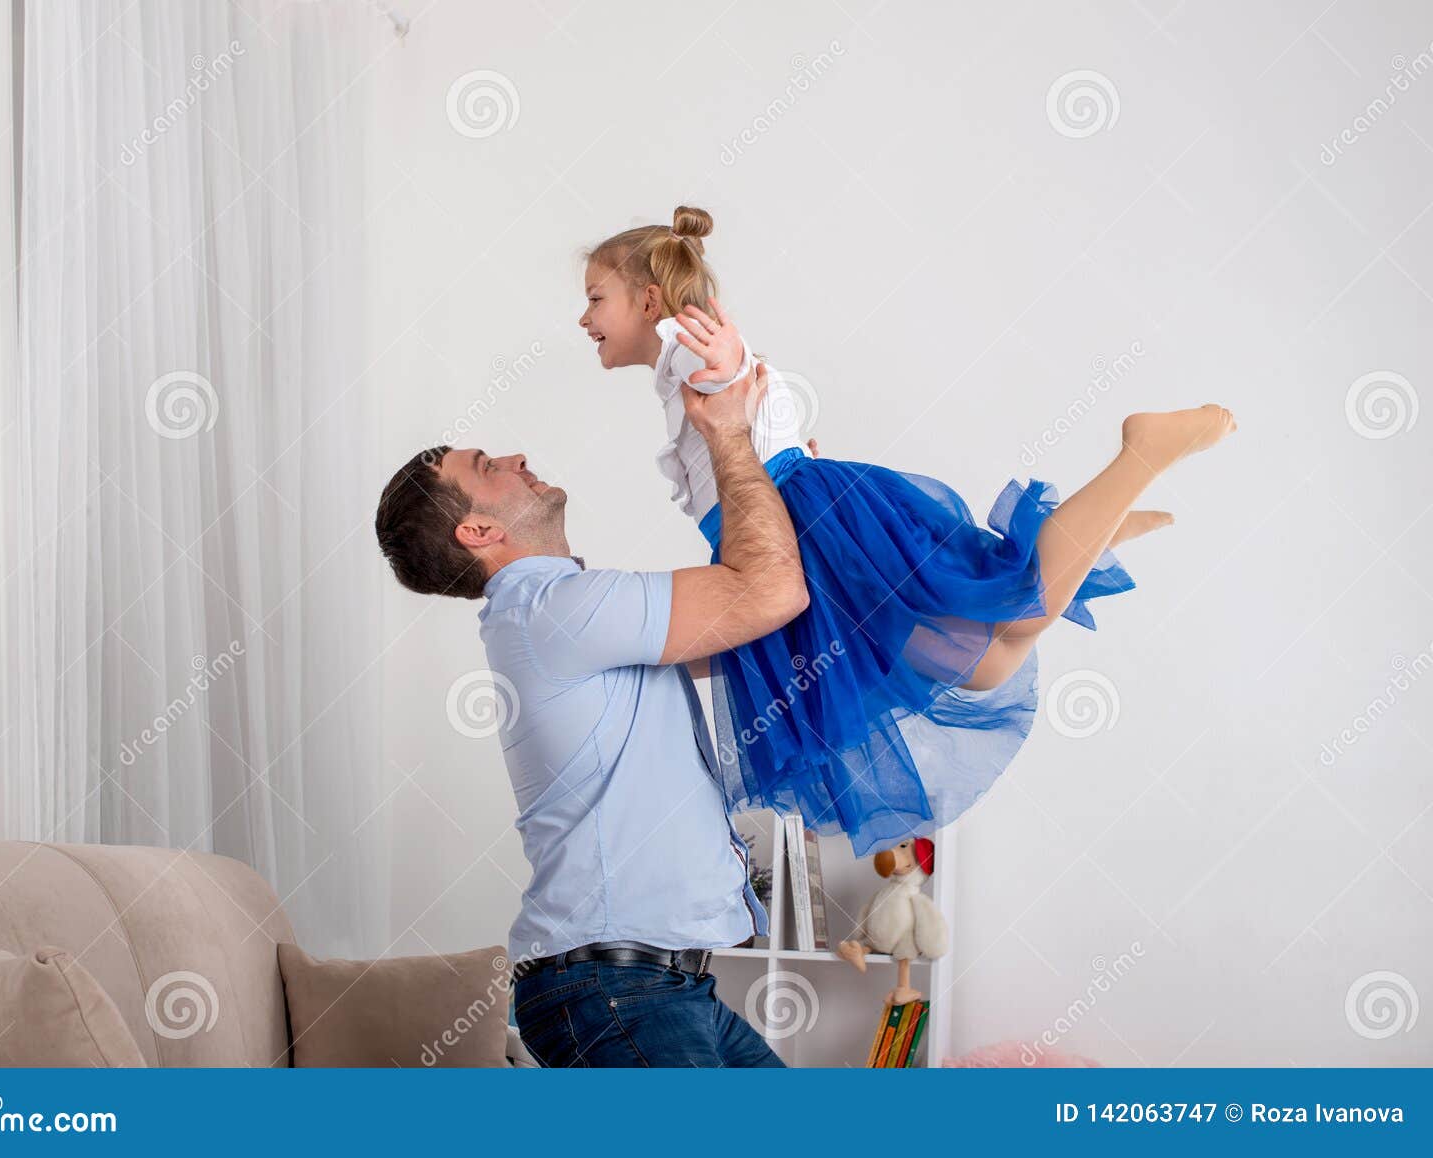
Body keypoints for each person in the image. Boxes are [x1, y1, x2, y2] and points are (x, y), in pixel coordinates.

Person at [579, 206, 1237, 856]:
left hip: (810, 531)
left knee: (1004, 633)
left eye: (595, 298)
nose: (585, 319)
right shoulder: (675, 359)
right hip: (794, 528)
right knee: (995, 647)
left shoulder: (687, 344)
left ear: (649, 299)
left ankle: (1142, 455)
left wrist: (729, 369)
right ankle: (1097, 529)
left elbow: (729, 373)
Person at [375, 358, 805, 1067]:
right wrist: (730, 439)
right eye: (487, 465)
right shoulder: (556, 611)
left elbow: (755, 630)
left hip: (652, 987)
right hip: (615, 990)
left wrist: (788, 492)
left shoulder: (560, 619)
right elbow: (769, 591)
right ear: (477, 531)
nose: (515, 458)